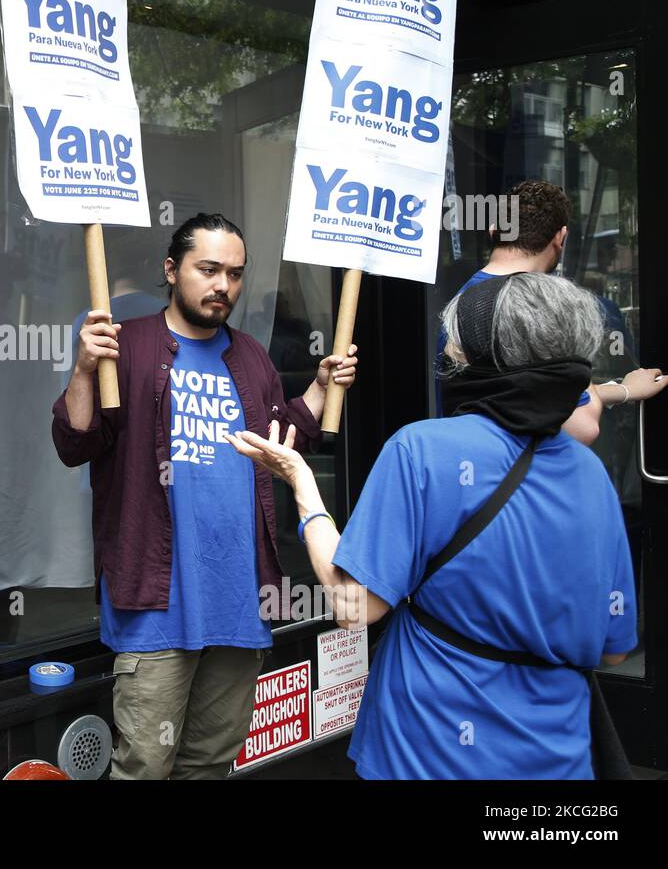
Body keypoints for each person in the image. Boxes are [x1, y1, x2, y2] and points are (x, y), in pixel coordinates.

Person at [232, 272, 637, 779]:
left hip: (429, 752)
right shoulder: (591, 474)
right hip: (557, 760)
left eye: (458, 347)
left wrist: (302, 483)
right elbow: (616, 651)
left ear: (486, 358)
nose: (451, 357)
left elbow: (355, 605)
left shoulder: (421, 449)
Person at [51, 212, 358, 779]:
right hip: (157, 605)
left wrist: (319, 387)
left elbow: (284, 439)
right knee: (143, 766)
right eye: (208, 269)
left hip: (241, 602)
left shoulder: (250, 357)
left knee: (210, 767)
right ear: (172, 270)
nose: (223, 286)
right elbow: (76, 442)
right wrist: (84, 368)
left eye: (235, 274)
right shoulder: (129, 344)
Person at [436, 179, 663, 437]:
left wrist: (611, 389)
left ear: (493, 230)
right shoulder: (539, 308)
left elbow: (515, 396)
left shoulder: (461, 304)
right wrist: (625, 390)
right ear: (560, 237)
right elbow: (581, 421)